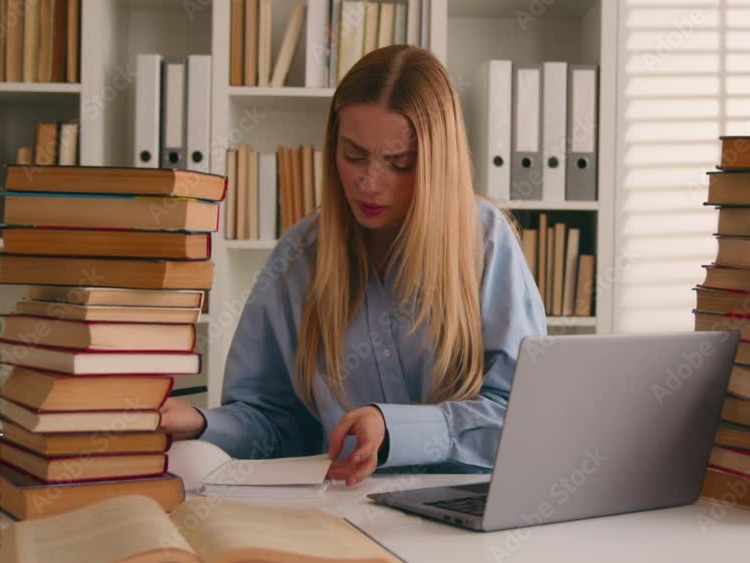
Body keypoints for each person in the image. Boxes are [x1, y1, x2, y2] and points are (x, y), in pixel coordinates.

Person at [160, 45, 546, 486]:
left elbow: (523, 417)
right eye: (354, 155)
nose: (369, 183)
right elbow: (274, 425)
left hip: (466, 518)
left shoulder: (487, 240)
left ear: (438, 164)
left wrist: (394, 430)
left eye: (400, 163)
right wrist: (201, 423)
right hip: (337, 514)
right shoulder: (298, 256)